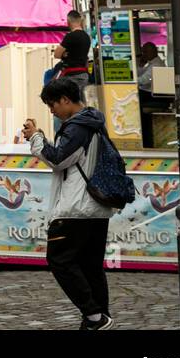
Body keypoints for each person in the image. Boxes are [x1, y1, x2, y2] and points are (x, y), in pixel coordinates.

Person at [22, 73, 116, 330]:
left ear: (65, 100)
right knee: (91, 267)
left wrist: (35, 138)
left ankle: (95, 316)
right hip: (97, 207)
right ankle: (97, 318)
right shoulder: (95, 122)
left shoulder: (77, 126)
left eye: (52, 105)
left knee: (59, 260)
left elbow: (58, 159)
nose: (52, 111)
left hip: (76, 208)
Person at [135, 41, 168, 148]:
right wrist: (140, 64)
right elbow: (141, 73)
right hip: (150, 93)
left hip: (155, 95)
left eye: (145, 52)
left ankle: (146, 138)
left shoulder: (156, 65)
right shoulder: (151, 64)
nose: (143, 54)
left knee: (137, 97)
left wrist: (132, 82)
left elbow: (143, 80)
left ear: (153, 52)